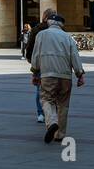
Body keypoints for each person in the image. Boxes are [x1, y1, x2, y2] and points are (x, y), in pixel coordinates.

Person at [29, 13, 86, 143]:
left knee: (46, 99)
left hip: (48, 75)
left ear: (49, 22)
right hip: (65, 76)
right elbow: (75, 56)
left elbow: (36, 55)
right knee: (63, 105)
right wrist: (80, 74)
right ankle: (60, 134)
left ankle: (52, 122)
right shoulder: (67, 37)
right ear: (61, 25)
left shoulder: (41, 35)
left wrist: (35, 72)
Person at [23, 9, 55, 124]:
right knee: (54, 89)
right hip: (55, 64)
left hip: (40, 64)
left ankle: (41, 113)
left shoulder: (37, 30)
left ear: (44, 17)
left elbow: (30, 47)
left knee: (40, 89)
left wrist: (31, 60)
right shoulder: (60, 30)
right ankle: (51, 113)